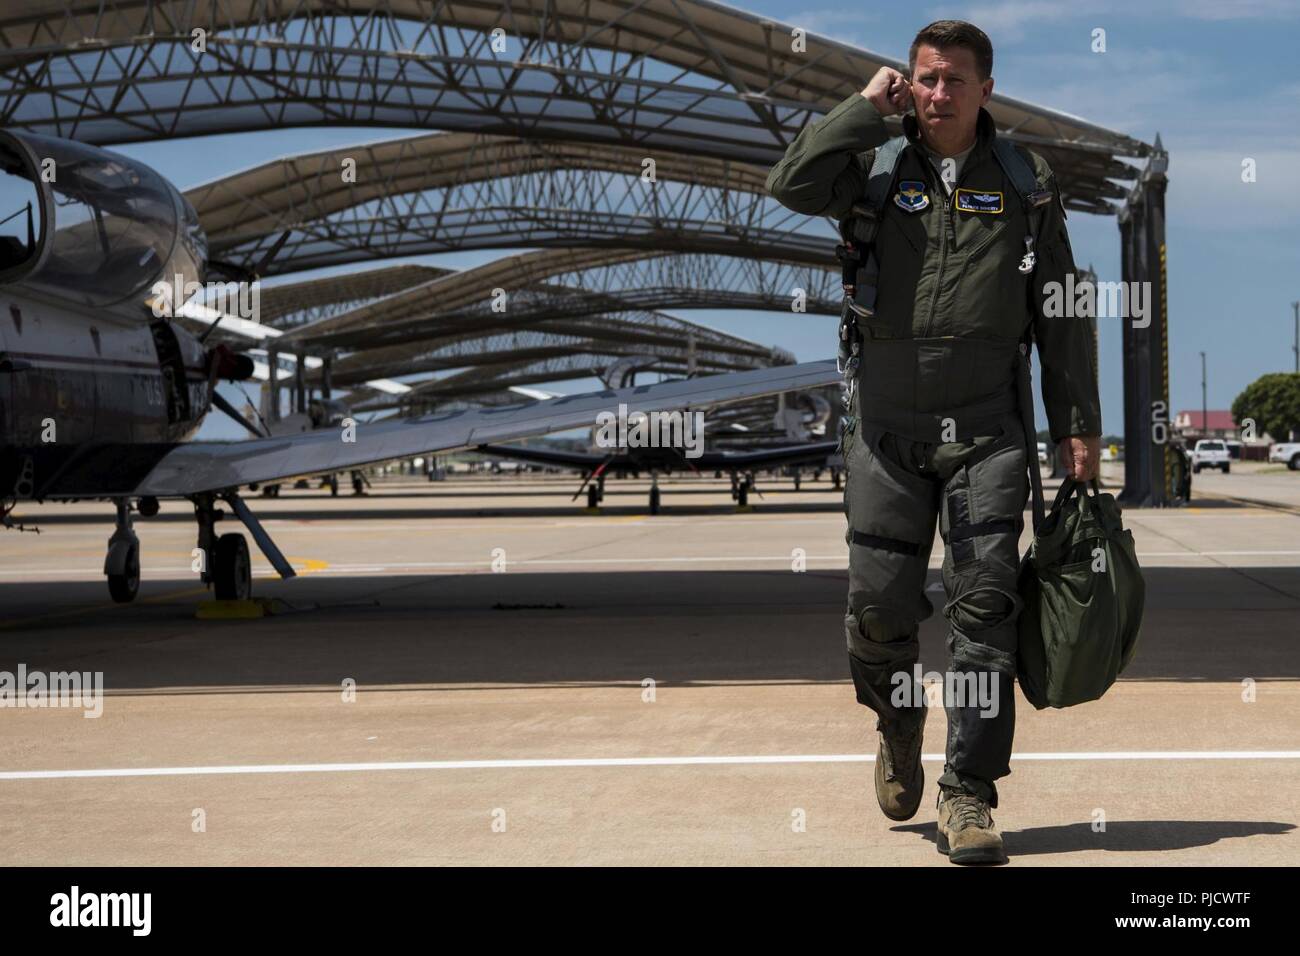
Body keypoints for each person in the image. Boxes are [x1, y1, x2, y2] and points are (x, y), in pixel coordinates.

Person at [766, 20, 1101, 864]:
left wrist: (1078, 430)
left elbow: (1061, 312)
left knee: (986, 612)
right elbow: (788, 183)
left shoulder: (1026, 183)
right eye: (924, 78)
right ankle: (898, 720)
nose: (938, 93)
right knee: (879, 612)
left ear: (986, 90)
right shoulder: (872, 170)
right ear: (906, 83)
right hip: (885, 430)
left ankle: (968, 794)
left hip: (988, 432)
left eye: (954, 79)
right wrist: (858, 109)